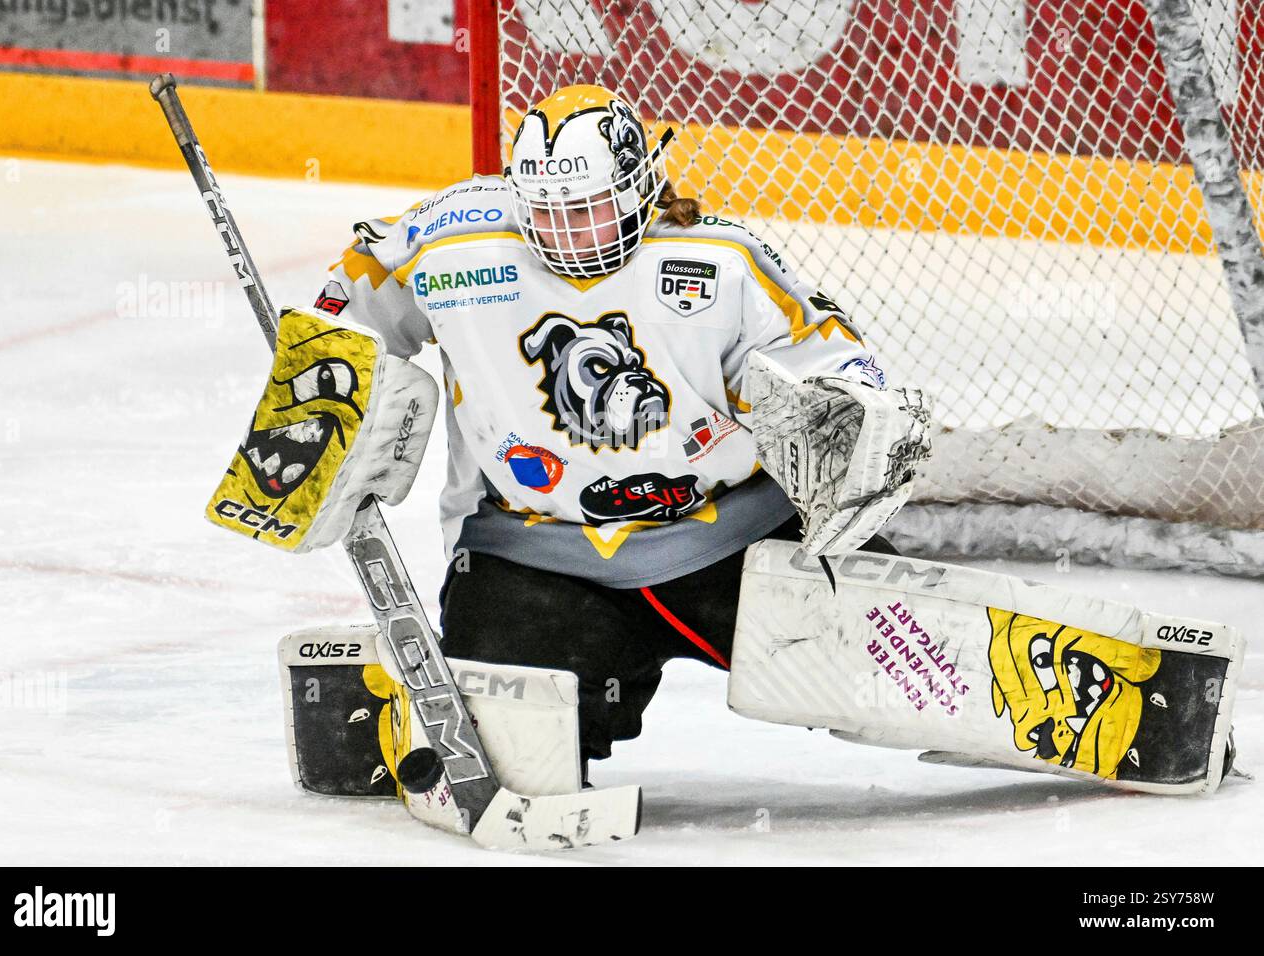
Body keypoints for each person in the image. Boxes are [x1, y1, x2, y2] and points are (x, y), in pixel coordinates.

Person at [314, 85, 924, 772]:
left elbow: (827, 353)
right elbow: (346, 303)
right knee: (505, 752)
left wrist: (851, 410)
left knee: (920, 668)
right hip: (536, 558)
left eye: (589, 207)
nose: (569, 231)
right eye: (548, 212)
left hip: (737, 541)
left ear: (640, 186)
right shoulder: (453, 243)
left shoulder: (719, 261)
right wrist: (318, 397)